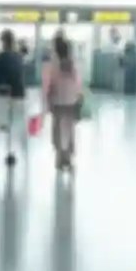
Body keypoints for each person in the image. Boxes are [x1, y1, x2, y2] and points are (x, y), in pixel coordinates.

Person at [0, 29, 27, 166]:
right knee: (14, 125)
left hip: (3, 94)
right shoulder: (18, 57)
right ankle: (11, 154)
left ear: (3, 42)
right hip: (18, 94)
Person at [42, 32, 84, 171]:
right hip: (71, 100)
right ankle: (69, 158)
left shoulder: (53, 64)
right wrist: (79, 96)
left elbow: (48, 83)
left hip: (57, 100)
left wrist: (46, 99)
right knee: (70, 129)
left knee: (57, 130)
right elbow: (78, 82)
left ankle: (60, 158)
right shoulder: (72, 63)